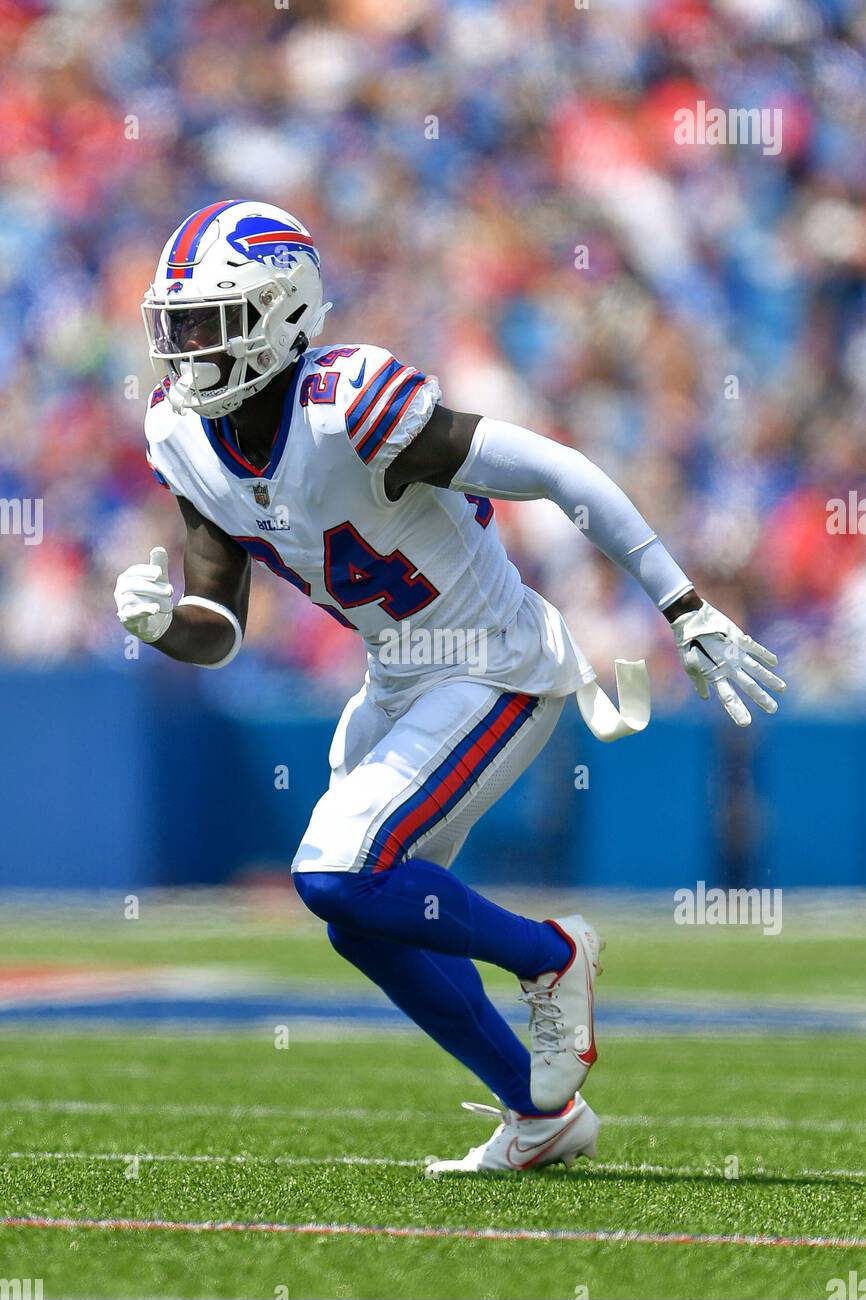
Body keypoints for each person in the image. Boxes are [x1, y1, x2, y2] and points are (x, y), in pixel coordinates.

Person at [116, 201, 785, 1174]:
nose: (186, 348)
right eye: (174, 324)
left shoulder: (350, 402)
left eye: (209, 321)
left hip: (490, 660)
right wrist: (160, 623)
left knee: (334, 871)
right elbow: (218, 626)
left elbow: (560, 469)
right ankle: (538, 1114)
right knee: (357, 914)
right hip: (396, 675)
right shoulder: (179, 432)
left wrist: (681, 606)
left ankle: (549, 954)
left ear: (281, 311)